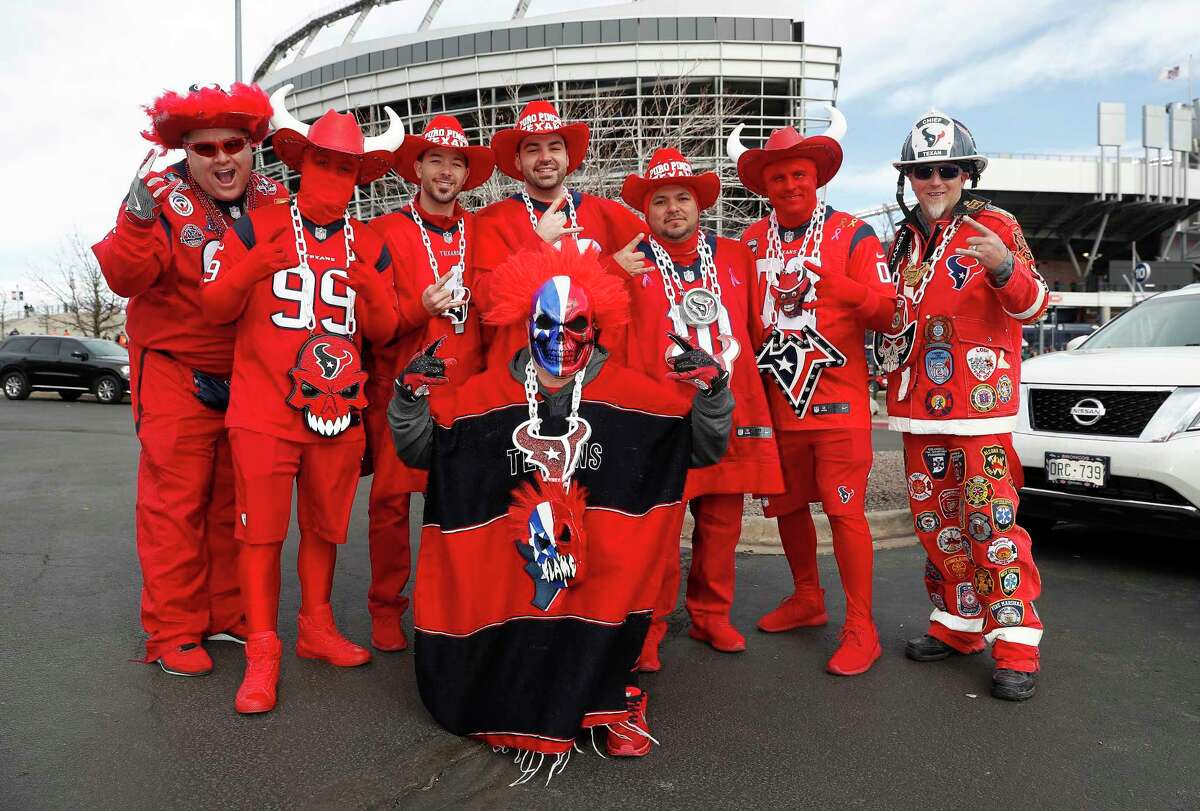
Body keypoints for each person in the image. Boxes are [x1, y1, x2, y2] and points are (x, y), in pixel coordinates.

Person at [387, 248, 733, 769]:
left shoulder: (633, 394)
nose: (560, 338)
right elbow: (424, 454)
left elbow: (700, 449)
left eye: (575, 326)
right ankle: (517, 699)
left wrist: (713, 392)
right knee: (514, 633)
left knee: (605, 615)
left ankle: (616, 700)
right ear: (526, 326)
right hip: (515, 568)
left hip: (603, 573)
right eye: (546, 325)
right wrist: (407, 398)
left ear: (595, 327)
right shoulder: (484, 395)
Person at [200, 85, 403, 713]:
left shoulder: (369, 242)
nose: (333, 177)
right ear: (300, 162)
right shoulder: (256, 225)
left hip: (337, 410)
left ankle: (316, 626)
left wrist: (372, 291)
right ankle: (263, 648)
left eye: (345, 167)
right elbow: (215, 308)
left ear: (359, 175)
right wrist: (250, 267)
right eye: (323, 163)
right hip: (263, 409)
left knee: (323, 526)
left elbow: (384, 331)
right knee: (260, 534)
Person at [92, 83, 287, 676]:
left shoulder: (274, 196)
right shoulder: (158, 195)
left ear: (252, 147)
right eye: (206, 149)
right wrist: (134, 220)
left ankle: (224, 611)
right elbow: (125, 276)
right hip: (176, 373)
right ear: (186, 151)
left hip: (249, 376)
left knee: (234, 502)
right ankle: (173, 630)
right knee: (173, 508)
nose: (222, 158)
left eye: (234, 145)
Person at [878, 109, 1048, 701]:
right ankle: (959, 622)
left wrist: (1003, 266)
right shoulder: (902, 240)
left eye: (947, 170)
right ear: (908, 177)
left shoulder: (996, 223)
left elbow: (1035, 304)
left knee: (990, 524)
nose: (935, 180)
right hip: (916, 406)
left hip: (979, 410)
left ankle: (1017, 643)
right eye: (923, 170)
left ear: (967, 174)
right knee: (937, 523)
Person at [729, 108, 895, 675]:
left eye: (799, 174)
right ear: (764, 186)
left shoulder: (853, 233)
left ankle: (862, 626)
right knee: (788, 506)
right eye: (778, 177)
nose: (790, 185)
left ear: (817, 177)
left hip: (840, 406)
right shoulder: (750, 240)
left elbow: (890, 314)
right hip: (777, 405)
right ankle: (807, 597)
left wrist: (848, 290)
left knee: (846, 512)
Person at [616, 148, 782, 669]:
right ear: (646, 209)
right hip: (660, 418)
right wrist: (608, 271)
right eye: (660, 200)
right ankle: (649, 626)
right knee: (658, 531)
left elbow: (754, 329)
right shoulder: (629, 260)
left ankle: (712, 615)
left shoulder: (734, 255)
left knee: (722, 524)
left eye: (682, 198)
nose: (672, 209)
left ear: (699, 204)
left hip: (728, 410)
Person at [362, 115, 495, 652]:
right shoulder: (383, 231)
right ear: (416, 168)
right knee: (391, 505)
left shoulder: (482, 230)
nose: (446, 171)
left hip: (469, 393)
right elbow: (372, 325)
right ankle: (385, 606)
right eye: (435, 159)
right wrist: (420, 308)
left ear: (466, 174)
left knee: (463, 505)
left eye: (456, 163)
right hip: (402, 392)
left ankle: (456, 606)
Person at [474, 99, 649, 366]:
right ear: (518, 161)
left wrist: (614, 271)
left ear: (568, 157)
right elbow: (486, 300)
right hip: (522, 373)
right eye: (533, 149)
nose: (545, 157)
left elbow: (665, 253)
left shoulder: (607, 212)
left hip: (596, 370)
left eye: (554, 147)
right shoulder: (492, 220)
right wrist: (537, 243)